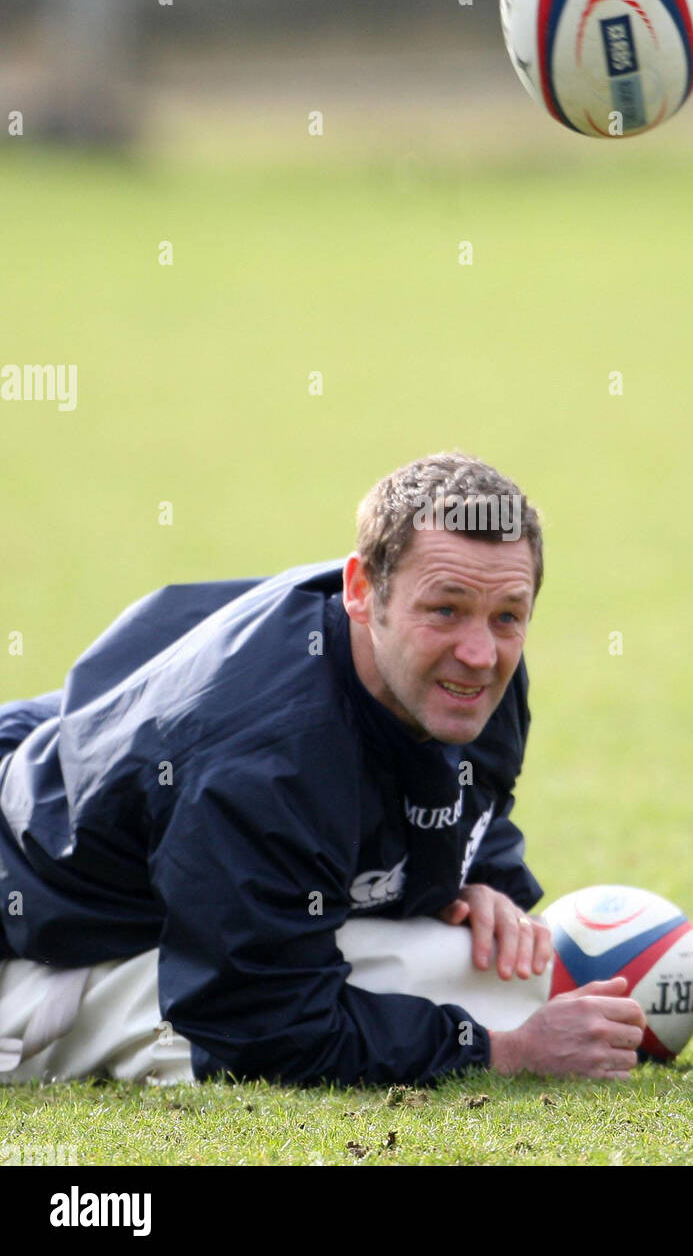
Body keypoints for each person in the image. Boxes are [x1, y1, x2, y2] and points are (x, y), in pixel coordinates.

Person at [0, 452, 644, 1087]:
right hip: (45, 922)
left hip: (104, 786)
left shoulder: (459, 670)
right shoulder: (262, 760)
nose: (480, 653)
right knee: (480, 995)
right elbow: (262, 1022)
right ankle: (38, 1013)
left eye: (509, 615)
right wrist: (499, 1053)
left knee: (500, 965)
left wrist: (472, 878)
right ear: (361, 590)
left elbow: (456, 788)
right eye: (444, 609)